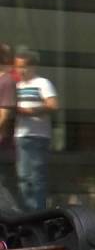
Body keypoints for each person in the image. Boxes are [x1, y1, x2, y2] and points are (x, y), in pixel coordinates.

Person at [13, 49, 58, 212]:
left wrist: (29, 112)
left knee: (37, 178)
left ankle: (37, 214)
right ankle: (25, 214)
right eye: (18, 67)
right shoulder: (17, 86)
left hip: (38, 136)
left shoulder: (42, 83)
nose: (21, 70)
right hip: (21, 135)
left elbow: (52, 104)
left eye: (24, 67)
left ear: (33, 67)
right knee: (23, 178)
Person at [0, 43, 17, 212]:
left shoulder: (7, 81)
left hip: (2, 145)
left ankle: (15, 223)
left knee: (4, 188)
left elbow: (4, 115)